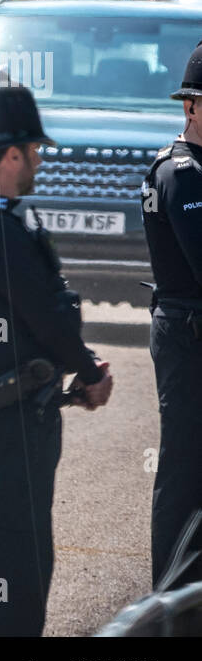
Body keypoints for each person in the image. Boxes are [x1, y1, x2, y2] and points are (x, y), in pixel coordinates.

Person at [0, 70, 113, 636]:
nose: (39, 160)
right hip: (13, 419)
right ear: (10, 154)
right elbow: (48, 315)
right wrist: (89, 372)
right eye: (34, 149)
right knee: (16, 566)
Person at [140, 43, 202, 590]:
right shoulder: (181, 173)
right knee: (185, 470)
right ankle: (170, 597)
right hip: (188, 335)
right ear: (192, 107)